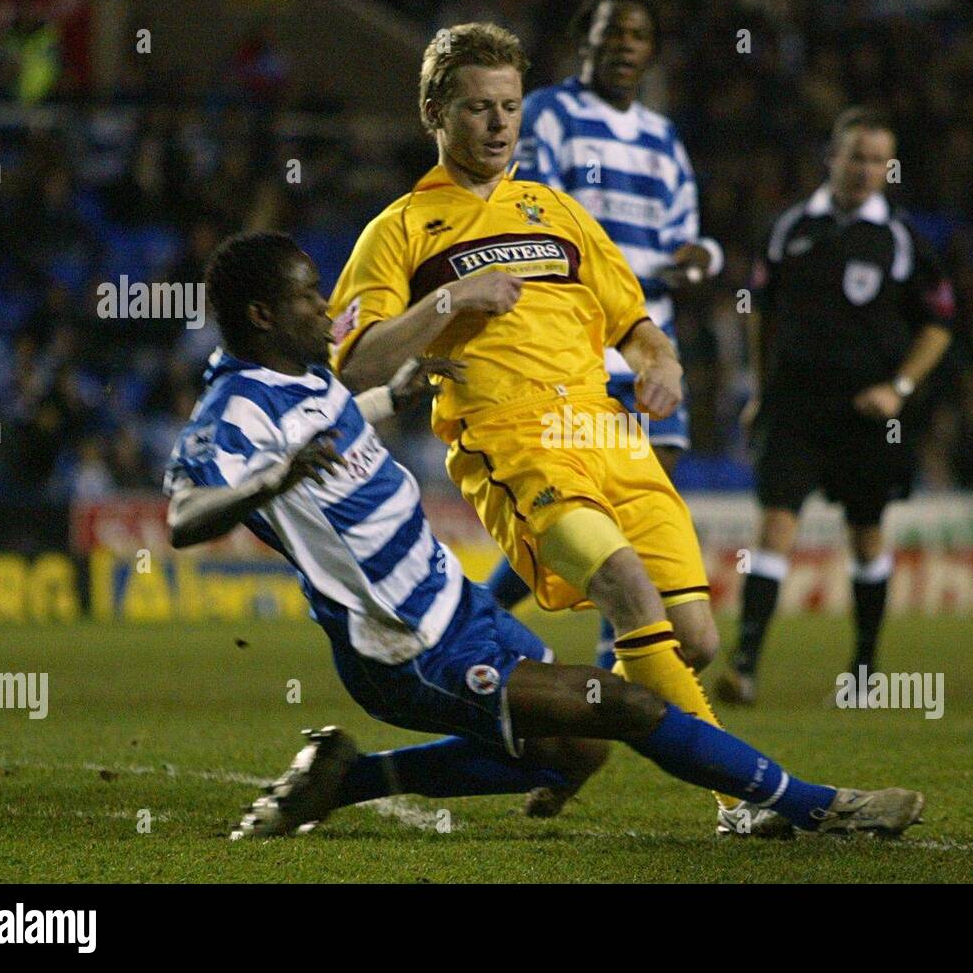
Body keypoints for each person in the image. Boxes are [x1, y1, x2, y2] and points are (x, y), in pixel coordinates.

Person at [164, 230, 926, 841]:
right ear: (262, 316)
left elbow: (332, 425)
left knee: (576, 753)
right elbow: (184, 515)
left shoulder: (304, 374)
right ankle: (820, 807)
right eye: (306, 295)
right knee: (623, 707)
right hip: (407, 646)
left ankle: (345, 778)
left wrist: (391, 398)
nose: (325, 305)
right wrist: (269, 483)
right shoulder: (232, 411)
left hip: (454, 604)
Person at [327, 22, 742, 824]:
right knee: (625, 586)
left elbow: (636, 321)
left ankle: (562, 724)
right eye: (477, 108)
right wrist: (448, 301)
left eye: (510, 107)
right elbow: (357, 363)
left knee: (694, 641)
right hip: (516, 440)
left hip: (609, 433)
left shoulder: (555, 210)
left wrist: (663, 363)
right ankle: (742, 799)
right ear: (433, 113)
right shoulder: (399, 229)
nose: (498, 125)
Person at [485, 0, 723, 671]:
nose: (625, 44)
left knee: (638, 517)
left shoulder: (663, 136)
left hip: (651, 346)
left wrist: (704, 256)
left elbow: (683, 233)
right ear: (581, 41)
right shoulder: (549, 116)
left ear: (652, 51)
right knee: (570, 518)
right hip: (577, 346)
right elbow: (544, 224)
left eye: (639, 34)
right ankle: (476, 620)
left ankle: (609, 677)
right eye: (610, 31)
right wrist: (659, 264)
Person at [715, 108, 955, 707]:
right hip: (794, 407)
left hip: (866, 417)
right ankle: (744, 670)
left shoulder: (901, 239)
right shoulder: (792, 228)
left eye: (878, 160)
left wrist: (897, 389)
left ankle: (864, 675)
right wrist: (761, 391)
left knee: (867, 535)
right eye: (856, 156)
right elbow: (762, 317)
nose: (866, 170)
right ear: (833, 158)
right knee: (774, 525)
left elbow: (940, 326)